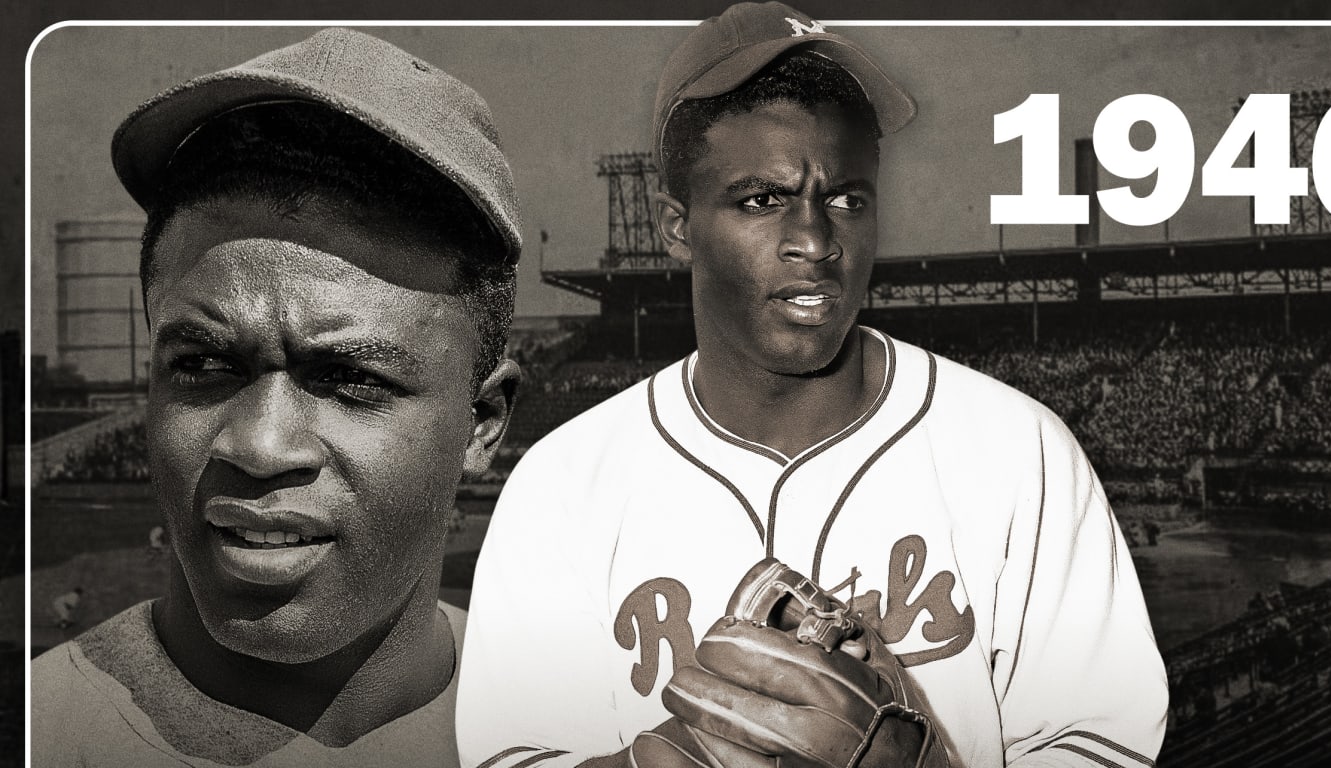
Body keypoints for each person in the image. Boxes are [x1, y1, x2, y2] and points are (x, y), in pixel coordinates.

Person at [457, 4, 1167, 767]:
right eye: (762, 200)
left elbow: (1104, 742)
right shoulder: (562, 487)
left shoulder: (1020, 453)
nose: (816, 241)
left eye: (846, 199)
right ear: (675, 226)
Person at [32, 28, 521, 767]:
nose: (259, 446)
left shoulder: (598, 731)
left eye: (352, 378)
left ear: (481, 423)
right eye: (202, 364)